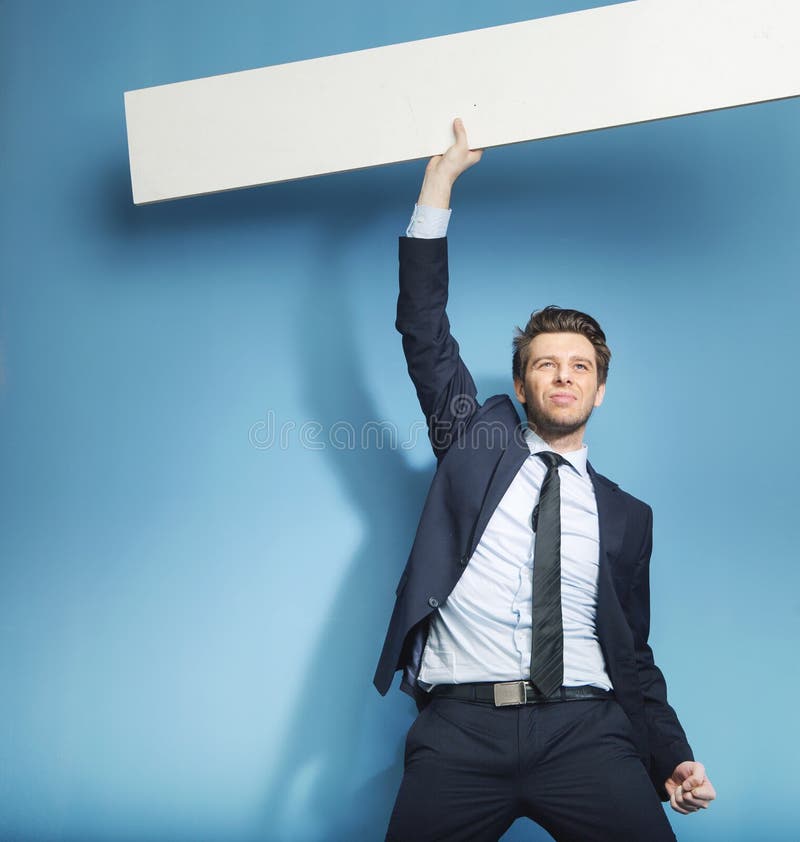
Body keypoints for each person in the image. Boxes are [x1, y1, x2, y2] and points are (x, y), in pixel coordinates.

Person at [373, 118, 716, 841]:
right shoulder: (475, 442)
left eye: (580, 367)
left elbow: (635, 654)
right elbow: (424, 331)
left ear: (599, 392)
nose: (564, 374)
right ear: (523, 389)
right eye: (546, 365)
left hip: (585, 733)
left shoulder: (628, 517)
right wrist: (438, 185)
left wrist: (674, 756)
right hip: (461, 730)